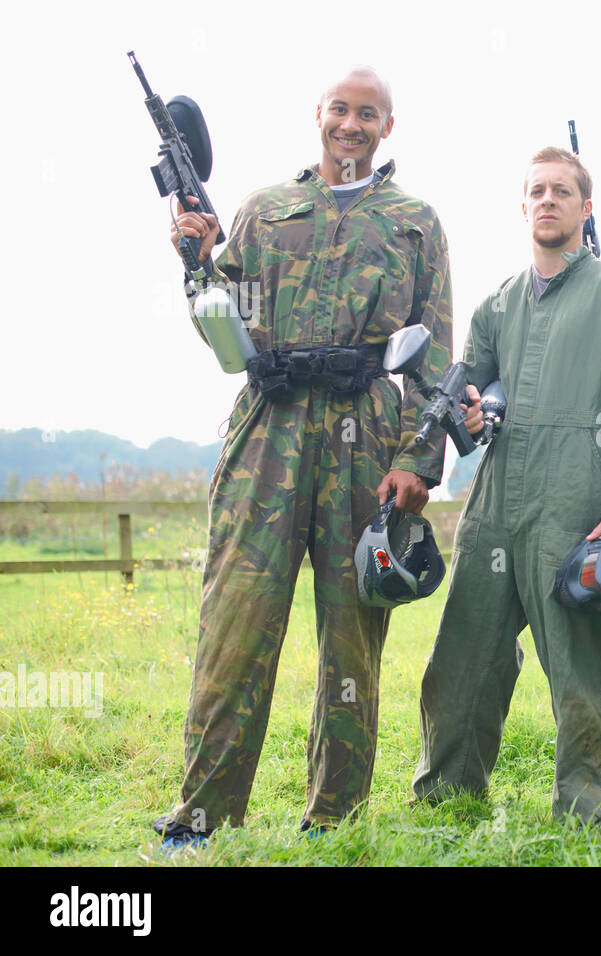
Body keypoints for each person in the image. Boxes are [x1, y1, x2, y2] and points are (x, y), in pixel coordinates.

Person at [154, 67, 452, 847]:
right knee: (235, 620)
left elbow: (435, 352)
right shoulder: (262, 211)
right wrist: (197, 263)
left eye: (369, 114)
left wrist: (419, 458)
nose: (351, 125)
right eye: (340, 110)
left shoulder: (415, 221)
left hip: (366, 430)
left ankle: (336, 817)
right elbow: (227, 329)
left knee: (353, 631)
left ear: (389, 127)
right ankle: (201, 814)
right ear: (317, 117)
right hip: (268, 429)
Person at [412, 147, 601, 827]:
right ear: (522, 207)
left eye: (562, 191)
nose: (548, 200)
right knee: (461, 660)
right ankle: (448, 797)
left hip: (577, 496)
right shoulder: (496, 303)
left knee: (578, 674)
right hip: (494, 500)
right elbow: (470, 392)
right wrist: (468, 411)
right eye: (536, 191)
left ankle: (589, 813)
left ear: (587, 208)